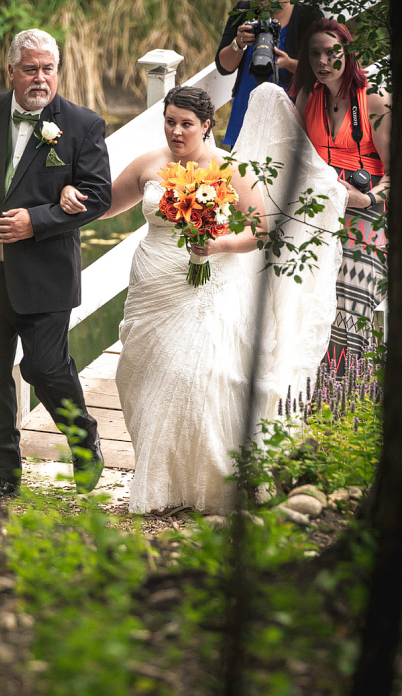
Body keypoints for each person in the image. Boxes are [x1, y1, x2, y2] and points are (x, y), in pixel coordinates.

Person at [59, 86, 267, 516]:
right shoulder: (150, 164)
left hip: (209, 284)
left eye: (186, 124)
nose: (176, 131)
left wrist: (221, 245)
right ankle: (159, 482)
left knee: (193, 376)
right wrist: (67, 195)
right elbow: (102, 204)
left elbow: (261, 231)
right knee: (141, 375)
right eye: (170, 121)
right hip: (152, 284)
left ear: (207, 125)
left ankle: (209, 484)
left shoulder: (230, 168)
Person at [0, 28, 112, 499]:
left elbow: (97, 196)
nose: (39, 78)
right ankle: (3, 473)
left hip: (45, 272)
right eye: (29, 69)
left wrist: (38, 220)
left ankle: (83, 440)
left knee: (45, 367)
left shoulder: (81, 125)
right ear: (11, 71)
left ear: (57, 71)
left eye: (48, 69)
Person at [292, 18, 391, 364]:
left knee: (349, 297)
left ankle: (345, 383)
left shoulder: (374, 100)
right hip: (322, 209)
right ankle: (312, 384)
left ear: (348, 55)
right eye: (315, 53)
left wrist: (368, 197)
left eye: (332, 53)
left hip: (372, 210)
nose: (323, 62)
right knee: (307, 292)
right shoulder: (307, 97)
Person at [214, 0, 322, 146]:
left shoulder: (308, 15)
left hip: (290, 121)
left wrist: (289, 64)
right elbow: (224, 66)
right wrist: (238, 43)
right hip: (246, 117)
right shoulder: (244, 10)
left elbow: (324, 70)